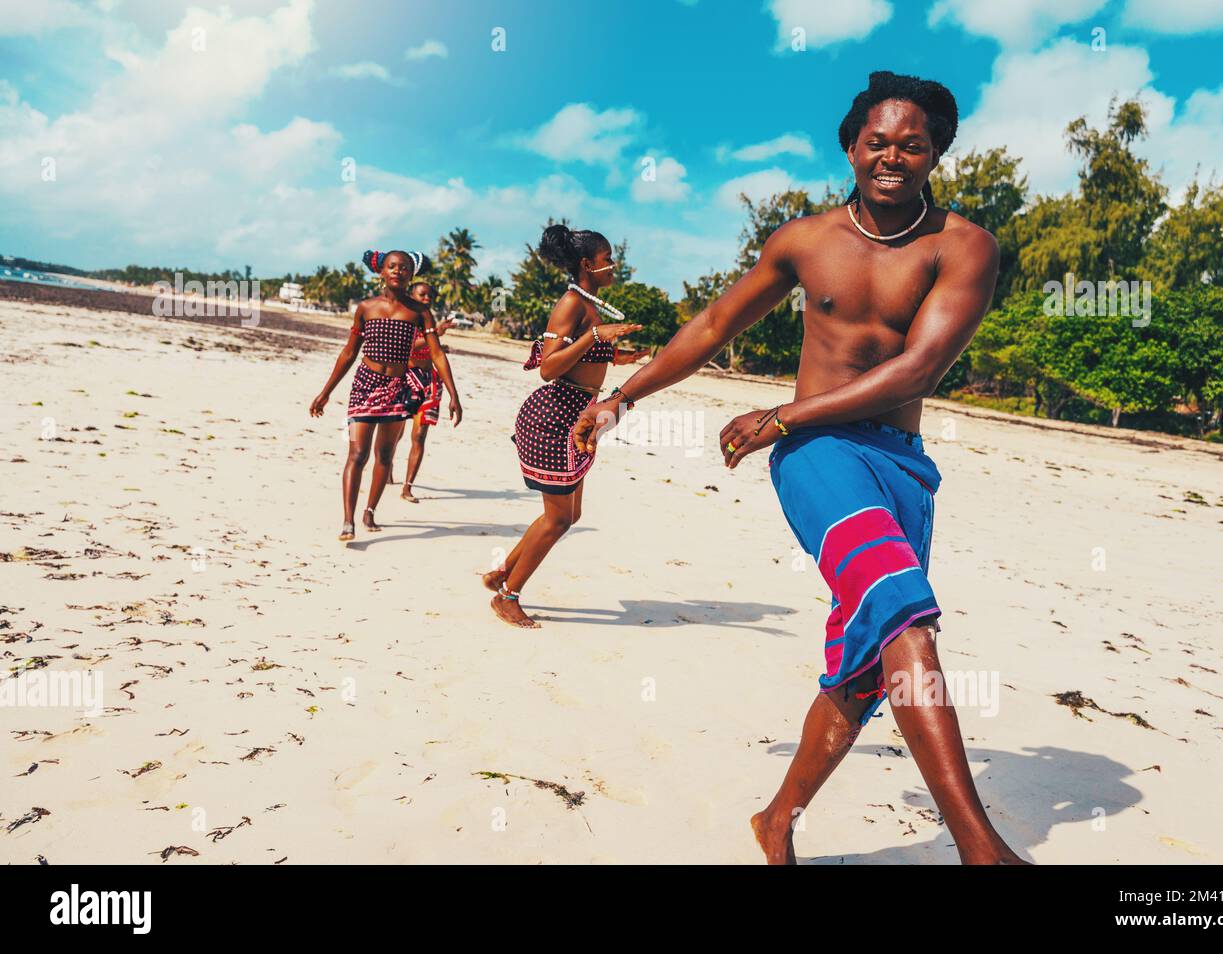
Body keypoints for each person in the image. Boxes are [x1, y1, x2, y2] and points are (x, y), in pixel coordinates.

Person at [573, 72, 1028, 865]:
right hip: (819, 458)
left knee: (864, 669)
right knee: (906, 619)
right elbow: (714, 322)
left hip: (899, 468)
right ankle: (981, 851)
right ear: (851, 147)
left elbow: (919, 370)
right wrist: (622, 399)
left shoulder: (965, 246)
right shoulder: (804, 241)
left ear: (936, 154)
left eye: (911, 144)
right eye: (877, 141)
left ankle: (776, 818)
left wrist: (778, 413)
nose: (892, 156)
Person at [485, 224, 645, 627]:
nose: (614, 266)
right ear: (589, 265)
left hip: (577, 416)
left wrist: (622, 354)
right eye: (608, 260)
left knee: (568, 516)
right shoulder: (572, 304)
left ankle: (502, 572)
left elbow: (585, 357)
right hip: (553, 417)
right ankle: (508, 596)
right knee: (557, 519)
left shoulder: (588, 305)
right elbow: (549, 367)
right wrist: (595, 335)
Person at [309, 250, 462, 541]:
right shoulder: (366, 308)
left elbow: (437, 353)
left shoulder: (419, 312)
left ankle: (370, 510)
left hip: (398, 387)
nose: (397, 271)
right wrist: (325, 392)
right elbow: (349, 352)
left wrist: (453, 394)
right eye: (392, 266)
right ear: (382, 272)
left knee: (385, 455)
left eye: (403, 268)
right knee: (357, 453)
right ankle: (347, 520)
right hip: (365, 384)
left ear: (410, 274)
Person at [398, 281, 455, 501]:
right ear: (411, 295)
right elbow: (408, 347)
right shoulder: (404, 319)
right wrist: (436, 335)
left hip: (429, 382)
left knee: (419, 436)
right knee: (395, 433)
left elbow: (435, 353)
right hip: (404, 381)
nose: (427, 299)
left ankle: (407, 487)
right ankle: (388, 469)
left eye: (429, 296)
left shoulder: (430, 321)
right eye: (422, 295)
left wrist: (439, 345)